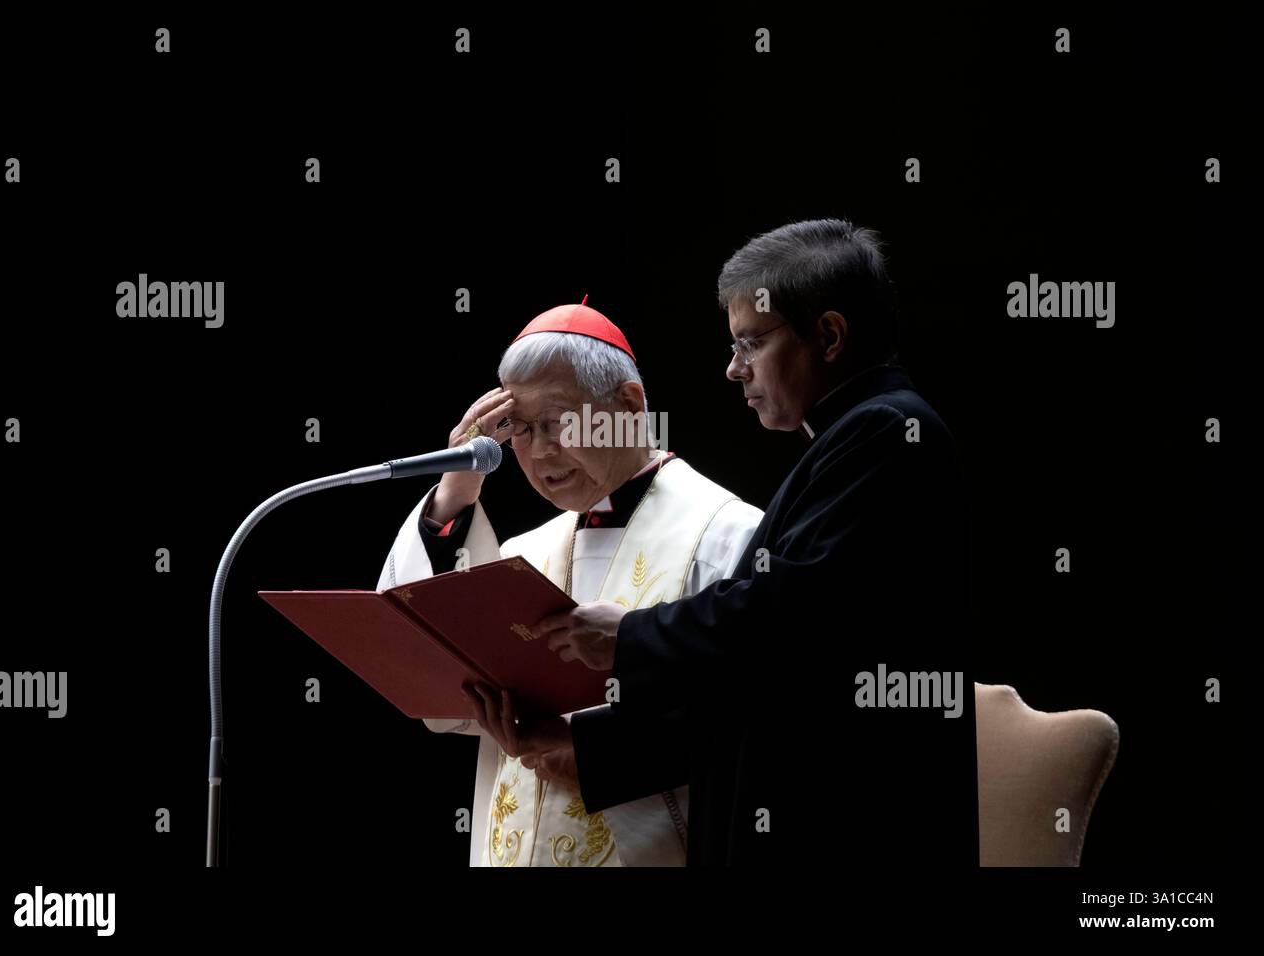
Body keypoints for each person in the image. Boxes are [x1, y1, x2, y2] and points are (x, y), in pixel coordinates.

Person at [501, 219, 978, 866]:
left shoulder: (888, 434)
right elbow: (766, 677)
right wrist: (589, 751)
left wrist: (630, 636)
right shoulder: (851, 437)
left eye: (750, 344)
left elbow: (791, 617)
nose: (733, 369)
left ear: (829, 336)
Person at [376, 300, 762, 867]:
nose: (537, 452)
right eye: (520, 430)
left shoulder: (728, 536)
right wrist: (454, 494)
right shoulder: (522, 554)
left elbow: (748, 731)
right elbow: (444, 708)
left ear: (628, 406)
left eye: (556, 422)